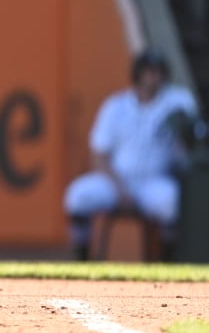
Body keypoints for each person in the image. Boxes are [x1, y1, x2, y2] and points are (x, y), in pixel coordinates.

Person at [65, 50, 198, 261]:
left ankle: (167, 265)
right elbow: (99, 154)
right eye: (149, 72)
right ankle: (81, 261)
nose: (154, 78)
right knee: (78, 195)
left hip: (154, 180)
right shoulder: (116, 106)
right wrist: (120, 189)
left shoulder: (175, 102)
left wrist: (184, 132)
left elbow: (191, 132)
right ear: (137, 74)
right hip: (117, 180)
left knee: (170, 200)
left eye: (158, 73)